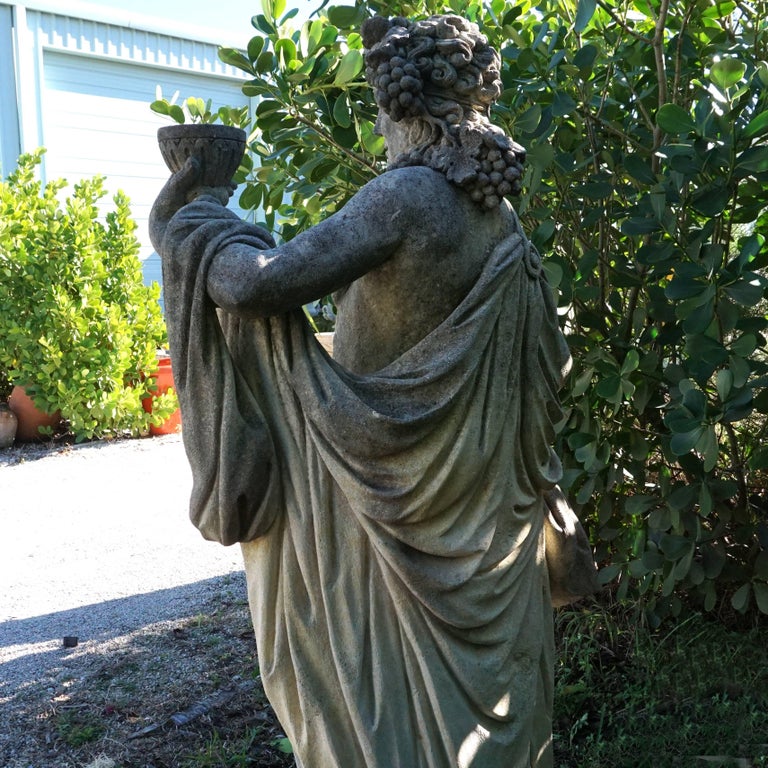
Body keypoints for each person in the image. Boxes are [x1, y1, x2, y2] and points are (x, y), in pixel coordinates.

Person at [150, 14, 571, 768]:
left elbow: (253, 288)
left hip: (381, 506)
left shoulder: (405, 198)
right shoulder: (497, 215)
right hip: (480, 515)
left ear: (395, 107)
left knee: (379, 720)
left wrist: (196, 220)